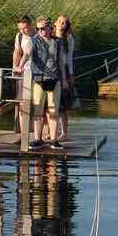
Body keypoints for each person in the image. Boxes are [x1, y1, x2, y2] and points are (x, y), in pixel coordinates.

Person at [28, 16, 63, 148]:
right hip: (38, 79)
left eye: (43, 28)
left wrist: (64, 79)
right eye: (38, 28)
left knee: (54, 110)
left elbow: (61, 60)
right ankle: (38, 139)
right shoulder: (34, 41)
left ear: (49, 27)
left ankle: (54, 140)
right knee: (38, 110)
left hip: (54, 79)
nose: (41, 31)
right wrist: (19, 65)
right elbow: (27, 53)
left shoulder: (57, 42)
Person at [11, 14, 36, 148]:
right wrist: (15, 66)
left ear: (30, 25)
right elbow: (17, 51)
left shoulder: (38, 35)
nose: (23, 31)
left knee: (37, 104)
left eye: (25, 28)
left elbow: (27, 53)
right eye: (20, 29)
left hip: (37, 73)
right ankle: (23, 135)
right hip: (23, 73)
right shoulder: (19, 36)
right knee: (21, 103)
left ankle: (40, 135)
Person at [53, 15, 77, 144]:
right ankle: (51, 132)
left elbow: (69, 59)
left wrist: (70, 76)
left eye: (64, 22)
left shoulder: (69, 38)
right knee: (51, 105)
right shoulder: (50, 36)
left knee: (63, 105)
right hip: (52, 71)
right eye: (60, 22)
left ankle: (64, 133)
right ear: (55, 23)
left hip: (64, 72)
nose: (62, 24)